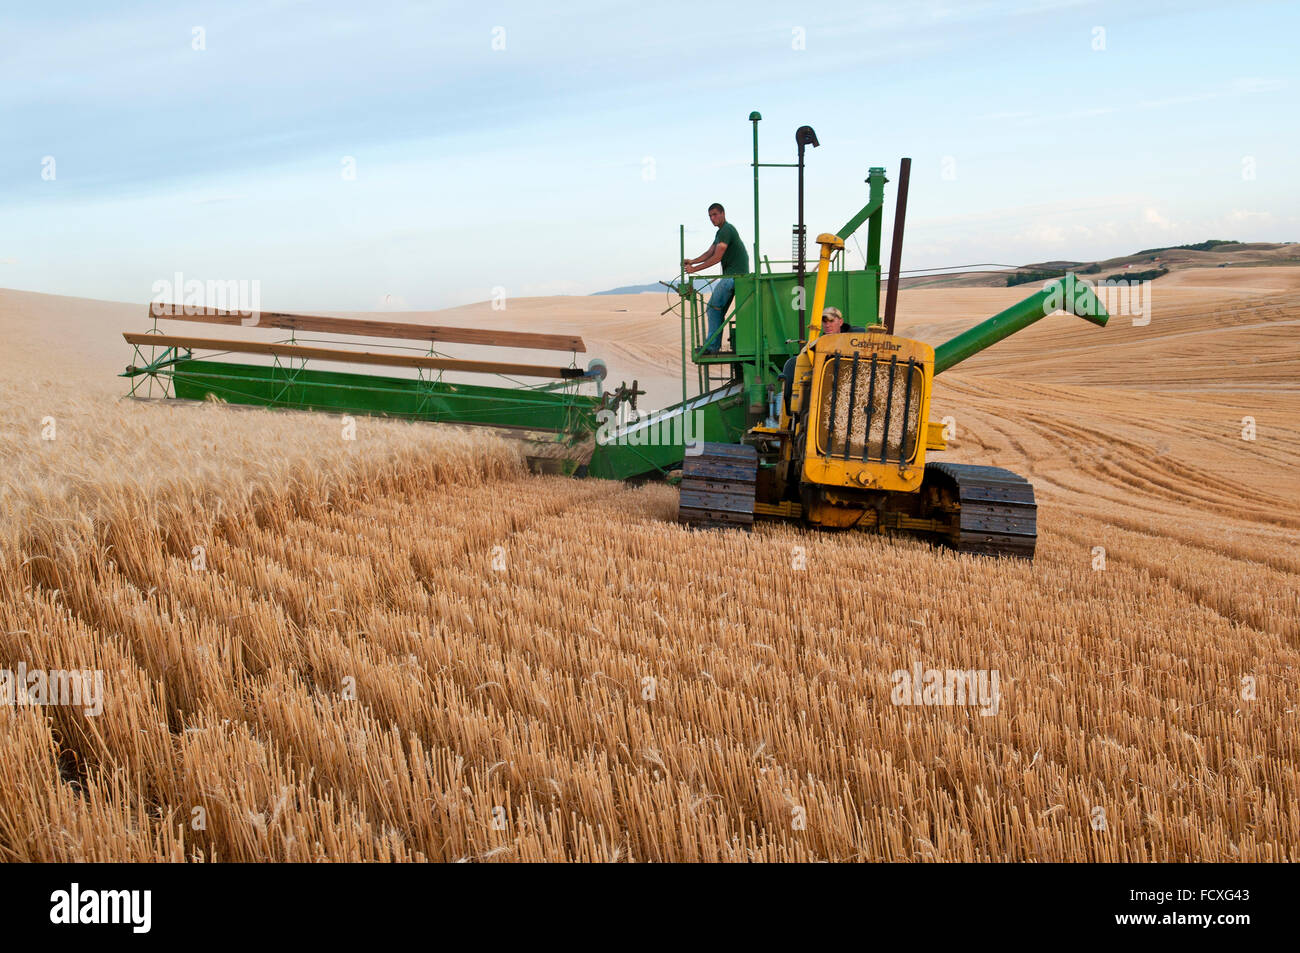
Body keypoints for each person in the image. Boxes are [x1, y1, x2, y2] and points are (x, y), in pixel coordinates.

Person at [683, 203, 750, 354]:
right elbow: (710, 252)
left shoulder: (726, 230)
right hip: (734, 276)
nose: (712, 218)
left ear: (722, 213)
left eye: (714, 215)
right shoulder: (721, 232)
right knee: (716, 310)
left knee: (713, 309)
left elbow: (717, 257)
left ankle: (712, 346)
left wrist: (694, 269)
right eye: (710, 216)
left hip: (733, 276)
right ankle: (713, 345)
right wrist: (692, 261)